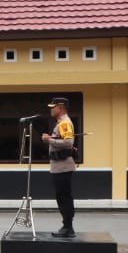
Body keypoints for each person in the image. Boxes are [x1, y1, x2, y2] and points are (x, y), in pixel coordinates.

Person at [41, 97, 78, 238]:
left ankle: (68, 227)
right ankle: (66, 226)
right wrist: (52, 138)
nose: (51, 109)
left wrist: (48, 139)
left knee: (64, 197)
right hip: (59, 166)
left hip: (63, 166)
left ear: (61, 108)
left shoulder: (64, 123)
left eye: (53, 107)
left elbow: (68, 143)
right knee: (61, 197)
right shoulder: (61, 123)